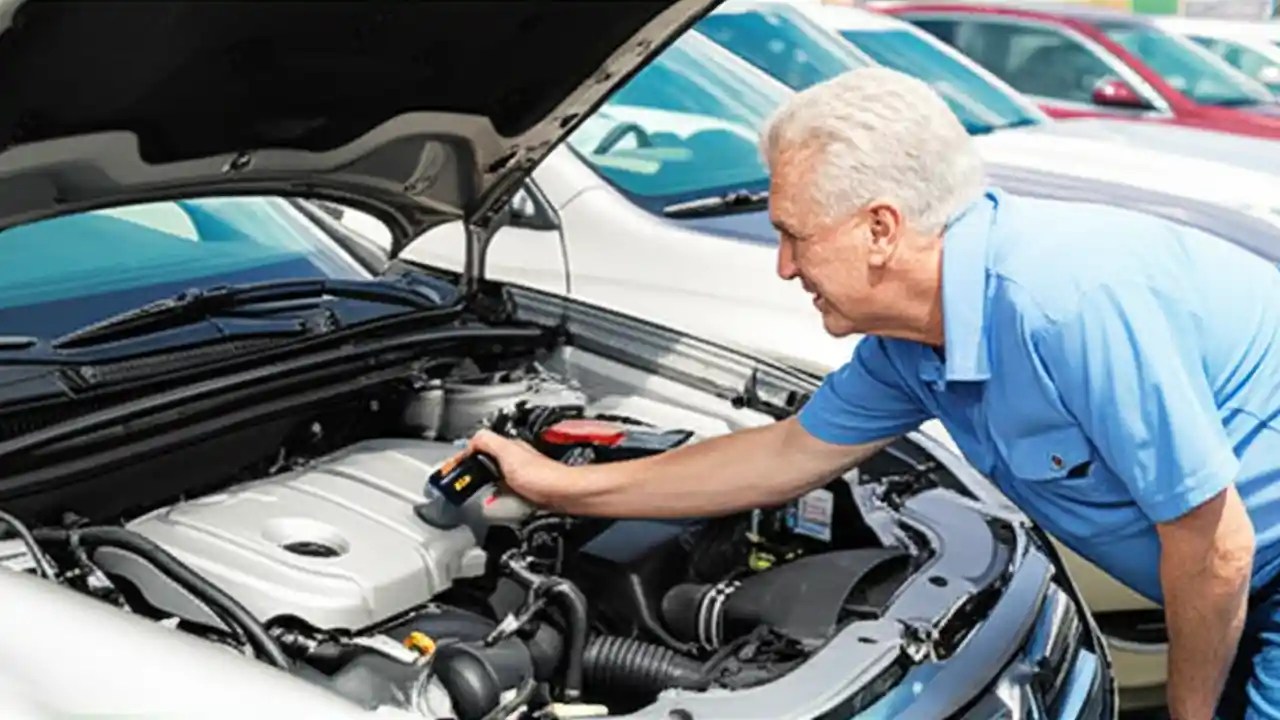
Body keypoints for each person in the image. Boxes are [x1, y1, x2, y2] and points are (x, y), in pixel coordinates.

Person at [470, 67, 1280, 719]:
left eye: (793, 234)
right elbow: (782, 455)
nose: (784, 266)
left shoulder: (1059, 304)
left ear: (881, 228)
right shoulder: (913, 341)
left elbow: (1216, 550)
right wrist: (565, 488)